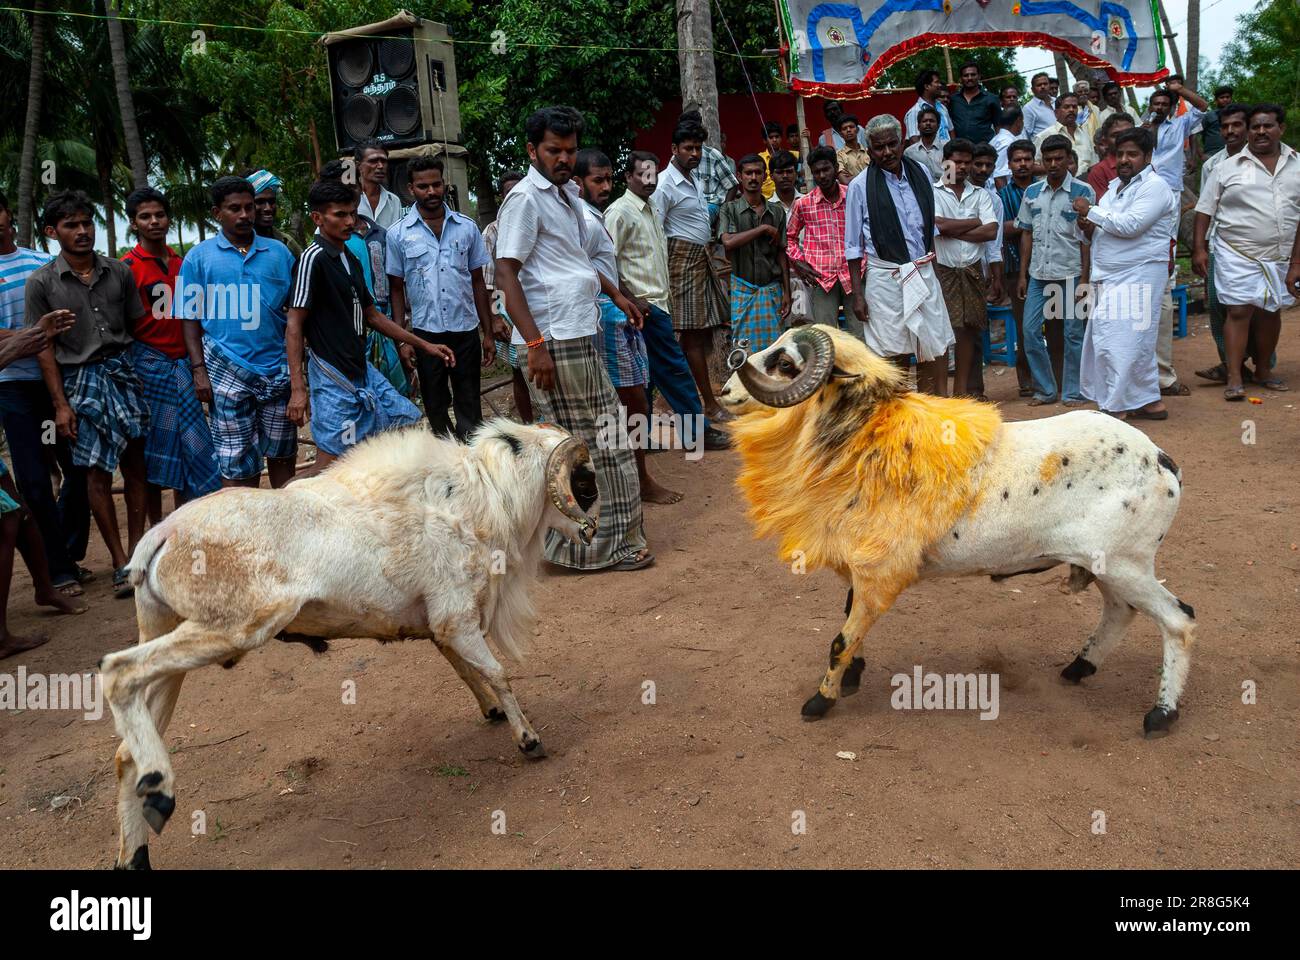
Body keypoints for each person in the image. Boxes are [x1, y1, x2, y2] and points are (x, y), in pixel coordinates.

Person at [494, 105, 651, 572]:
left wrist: (617, 296)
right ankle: (589, 549)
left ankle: (598, 543)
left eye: (569, 150)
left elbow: (576, 263)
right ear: (532, 151)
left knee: (596, 441)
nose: (564, 158)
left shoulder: (565, 197)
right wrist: (535, 344)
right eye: (553, 150)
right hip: (554, 340)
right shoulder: (524, 199)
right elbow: (506, 273)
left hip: (579, 331)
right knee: (586, 447)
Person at [26, 191, 150, 597]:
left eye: (86, 223)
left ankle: (138, 553)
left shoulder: (119, 272)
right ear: (52, 231)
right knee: (95, 474)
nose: (82, 232)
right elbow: (43, 346)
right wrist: (60, 405)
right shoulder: (41, 282)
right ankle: (118, 562)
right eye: (70, 225)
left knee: (136, 465)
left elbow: (135, 328)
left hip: (124, 374)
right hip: (80, 380)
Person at [286, 179, 447, 470]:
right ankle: (285, 507)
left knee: (407, 422)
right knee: (331, 462)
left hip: (361, 369)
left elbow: (373, 316)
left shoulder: (350, 258)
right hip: (332, 375)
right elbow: (294, 324)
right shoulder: (312, 259)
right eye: (340, 215)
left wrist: (423, 344)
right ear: (317, 218)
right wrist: (298, 388)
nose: (349, 222)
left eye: (352, 214)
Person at [605, 151, 730, 455]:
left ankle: (642, 437)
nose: (649, 180)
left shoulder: (651, 210)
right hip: (641, 307)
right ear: (628, 178)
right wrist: (630, 299)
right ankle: (697, 434)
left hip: (657, 303)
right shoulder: (620, 212)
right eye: (642, 174)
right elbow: (605, 262)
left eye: (653, 174)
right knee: (675, 371)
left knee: (645, 375)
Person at [177, 176, 298, 490]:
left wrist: (297, 376)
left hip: (276, 371)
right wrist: (198, 370)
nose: (245, 214)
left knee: (284, 459)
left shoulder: (279, 254)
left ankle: (284, 534)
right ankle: (242, 537)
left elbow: (296, 314)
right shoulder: (197, 258)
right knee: (237, 465)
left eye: (249, 207)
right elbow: (189, 319)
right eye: (235, 209)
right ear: (218, 213)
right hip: (225, 374)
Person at [575, 149, 681, 505]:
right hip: (605, 316)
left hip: (620, 314)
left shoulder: (595, 217)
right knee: (629, 401)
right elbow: (591, 272)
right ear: (579, 183)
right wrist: (625, 298)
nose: (604, 186)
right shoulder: (588, 220)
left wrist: (626, 301)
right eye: (597, 180)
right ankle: (634, 481)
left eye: (607, 179)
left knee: (634, 399)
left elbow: (604, 266)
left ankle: (635, 479)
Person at [0, 193, 90, 598]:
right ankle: (57, 571)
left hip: (58, 382)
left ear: (8, 216)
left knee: (78, 470)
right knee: (34, 481)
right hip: (11, 388)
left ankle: (69, 553)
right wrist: (34, 333)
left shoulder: (41, 264)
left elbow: (67, 321)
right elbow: (43, 328)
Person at [121, 187, 220, 523]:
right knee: (155, 458)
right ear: (134, 223)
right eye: (145, 217)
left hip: (187, 368)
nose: (154, 222)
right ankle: (156, 531)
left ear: (168, 218)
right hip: (148, 372)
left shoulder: (185, 263)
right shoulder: (126, 268)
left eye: (159, 215)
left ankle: (186, 526)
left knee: (195, 452)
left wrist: (198, 367)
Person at [385, 155, 500, 442]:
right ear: (411, 188)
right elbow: (396, 288)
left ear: (444, 184)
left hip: (465, 332)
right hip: (426, 336)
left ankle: (473, 467)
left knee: (470, 405)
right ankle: (447, 469)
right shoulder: (398, 234)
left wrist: (487, 333)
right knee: (436, 407)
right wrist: (403, 339)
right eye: (423, 186)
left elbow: (478, 282)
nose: (432, 192)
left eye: (436, 184)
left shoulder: (466, 227)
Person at [1072, 127, 1178, 420]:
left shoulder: (1155, 186)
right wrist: (1085, 225)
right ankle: (1148, 400)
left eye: (1132, 154)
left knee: (1122, 341)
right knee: (1128, 340)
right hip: (1110, 273)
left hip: (1140, 271)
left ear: (1147, 156)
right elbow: (1100, 229)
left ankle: (1116, 406)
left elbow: (1130, 225)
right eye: (1120, 154)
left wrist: (1090, 210)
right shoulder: (1115, 188)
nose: (1124, 159)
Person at [1192, 103, 1298, 399]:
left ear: (1281, 129)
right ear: (1248, 131)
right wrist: (1199, 249)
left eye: (1268, 126)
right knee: (1238, 310)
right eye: (1255, 127)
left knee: (1270, 311)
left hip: (1280, 254)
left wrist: (1297, 262)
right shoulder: (1225, 167)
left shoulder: (1298, 165)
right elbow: (1203, 211)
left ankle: (1264, 370)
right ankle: (1235, 376)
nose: (1261, 131)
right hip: (1235, 251)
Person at [845, 115, 954, 395]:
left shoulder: (920, 172)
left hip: (923, 270)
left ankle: (935, 407)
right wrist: (858, 294)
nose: (887, 152)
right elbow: (853, 247)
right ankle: (900, 416)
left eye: (892, 144)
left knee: (933, 343)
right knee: (893, 350)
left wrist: (936, 273)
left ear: (902, 142)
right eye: (879, 148)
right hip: (885, 279)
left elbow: (928, 230)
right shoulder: (859, 186)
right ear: (869, 151)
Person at [0, 308, 87, 659]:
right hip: (14, 392)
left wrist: (32, 335)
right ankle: (1, 636)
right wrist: (23, 342)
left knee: (22, 514)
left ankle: (45, 587)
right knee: (7, 520)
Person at [654, 118, 730, 422]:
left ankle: (670, 401)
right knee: (691, 336)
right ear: (674, 149)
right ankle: (706, 405)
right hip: (679, 261)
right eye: (688, 148)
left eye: (698, 148)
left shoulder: (694, 180)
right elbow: (657, 231)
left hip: (701, 257)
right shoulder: (664, 184)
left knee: (699, 336)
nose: (694, 153)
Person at [1014, 134, 1095, 407]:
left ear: (1069, 160)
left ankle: (1073, 391)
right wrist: (1023, 275)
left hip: (1072, 272)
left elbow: (1087, 239)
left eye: (1059, 158)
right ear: (1042, 161)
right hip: (1038, 274)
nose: (1053, 164)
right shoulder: (1032, 193)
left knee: (1074, 333)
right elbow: (1025, 234)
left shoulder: (1083, 192)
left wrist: (1085, 278)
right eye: (1047, 159)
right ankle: (1046, 390)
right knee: (1030, 331)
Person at [1191, 104, 1259, 385]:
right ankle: (1232, 365)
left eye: (1237, 125)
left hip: (1260, 244)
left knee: (1262, 308)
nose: (1230, 131)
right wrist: (1201, 248)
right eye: (1225, 126)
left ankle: (1264, 363)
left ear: (1247, 128)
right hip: (1221, 245)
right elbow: (1206, 208)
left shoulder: (1265, 160)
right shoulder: (1212, 165)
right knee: (1220, 306)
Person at [932, 139, 999, 398]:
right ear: (945, 161)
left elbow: (991, 231)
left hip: (971, 269)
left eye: (966, 162)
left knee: (968, 330)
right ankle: (940, 394)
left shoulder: (980, 194)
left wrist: (953, 229)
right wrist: (973, 222)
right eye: (956, 161)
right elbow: (937, 226)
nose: (961, 167)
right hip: (942, 269)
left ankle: (961, 393)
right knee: (942, 330)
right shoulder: (933, 192)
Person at [719, 153, 790, 355]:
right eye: (748, 173)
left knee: (776, 354)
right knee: (744, 354)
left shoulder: (776, 212)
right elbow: (728, 242)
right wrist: (763, 229)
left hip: (771, 290)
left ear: (765, 176)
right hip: (742, 290)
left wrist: (787, 292)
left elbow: (781, 254)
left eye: (758, 172)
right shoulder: (729, 209)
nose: (753, 177)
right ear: (739, 176)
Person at [787, 146, 855, 335]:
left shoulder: (853, 196)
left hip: (854, 274)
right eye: (817, 172)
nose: (822, 175)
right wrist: (799, 262)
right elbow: (788, 238)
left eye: (826, 169)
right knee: (826, 336)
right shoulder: (803, 204)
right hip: (821, 278)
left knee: (860, 334)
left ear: (835, 167)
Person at [998, 139, 1039, 396]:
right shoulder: (1002, 195)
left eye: (1027, 159)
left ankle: (1053, 376)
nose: (1022, 164)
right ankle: (1027, 381)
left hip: (1048, 266)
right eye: (1017, 160)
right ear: (1010, 164)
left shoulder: (1043, 188)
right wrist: (1028, 224)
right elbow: (998, 229)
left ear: (1034, 161)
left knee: (1055, 324)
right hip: (1015, 269)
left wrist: (1020, 225)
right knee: (1025, 327)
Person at [967, 143, 1006, 399]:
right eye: (978, 164)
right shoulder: (949, 192)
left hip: (980, 271)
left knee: (976, 330)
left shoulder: (994, 200)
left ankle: (975, 391)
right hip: (950, 267)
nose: (983, 169)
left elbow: (994, 241)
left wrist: (996, 277)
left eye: (988, 165)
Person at [1146, 78, 1209, 199]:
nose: (1160, 107)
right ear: (1150, 107)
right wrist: (1141, 133)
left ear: (1170, 108)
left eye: (1164, 104)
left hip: (1170, 187)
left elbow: (1203, 106)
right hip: (1145, 186)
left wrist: (1180, 89)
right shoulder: (1139, 129)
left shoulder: (1179, 125)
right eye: (1156, 104)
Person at [770, 150, 812, 325]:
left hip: (808, 276)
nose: (785, 176)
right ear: (771, 176)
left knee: (810, 330)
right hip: (778, 279)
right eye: (780, 172)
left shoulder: (809, 202)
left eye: (789, 171)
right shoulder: (767, 208)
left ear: (797, 173)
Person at [680, 104, 740, 222]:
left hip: (710, 204)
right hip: (687, 206)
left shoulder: (712, 155)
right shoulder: (677, 158)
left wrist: (724, 212)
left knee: (699, 217)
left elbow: (733, 185)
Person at [245, 168, 302, 262]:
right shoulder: (236, 244)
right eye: (260, 202)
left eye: (272, 201)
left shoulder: (287, 243)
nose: (268, 208)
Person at [1034, 93, 1097, 173]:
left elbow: (1094, 161)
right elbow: (1033, 166)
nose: (1071, 110)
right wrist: (1058, 168)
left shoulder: (1084, 133)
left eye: (1074, 107)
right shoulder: (1044, 136)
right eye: (1066, 107)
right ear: (1056, 113)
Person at [354, 138, 403, 229]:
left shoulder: (394, 201)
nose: (380, 166)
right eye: (373, 161)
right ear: (358, 166)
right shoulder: (348, 200)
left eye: (383, 161)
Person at [1087, 112, 1136, 201]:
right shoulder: (1098, 172)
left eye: (1128, 133)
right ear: (1105, 141)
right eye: (1116, 135)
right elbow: (1103, 209)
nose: (1123, 138)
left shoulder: (1145, 162)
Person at [950, 61, 1001, 144]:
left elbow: (998, 126)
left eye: (973, 74)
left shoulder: (992, 99)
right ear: (961, 78)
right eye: (966, 75)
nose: (969, 78)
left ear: (979, 76)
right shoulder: (953, 99)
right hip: (959, 150)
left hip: (984, 151)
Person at [904, 69, 953, 146]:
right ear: (927, 86)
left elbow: (951, 131)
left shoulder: (943, 108)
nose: (940, 85)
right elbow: (914, 141)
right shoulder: (915, 111)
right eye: (937, 82)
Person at [903, 104, 945, 182]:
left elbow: (952, 177)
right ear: (918, 126)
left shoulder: (947, 147)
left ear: (938, 126)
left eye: (932, 121)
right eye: (924, 121)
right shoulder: (909, 152)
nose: (928, 123)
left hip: (944, 191)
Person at [990, 106, 1024, 185]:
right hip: (999, 193)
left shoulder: (996, 139)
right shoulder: (1007, 143)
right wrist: (1006, 197)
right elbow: (1000, 176)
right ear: (1019, 120)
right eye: (1023, 120)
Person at [1200, 85, 1235, 155]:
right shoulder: (1209, 115)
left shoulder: (1237, 115)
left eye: (1227, 97)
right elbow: (1195, 134)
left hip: (1233, 152)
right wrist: (1201, 155)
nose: (1225, 99)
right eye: (1222, 97)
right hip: (1212, 153)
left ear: (1231, 99)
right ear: (1216, 100)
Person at [1022, 72, 1057, 141]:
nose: (1043, 87)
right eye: (1039, 85)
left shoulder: (1057, 101)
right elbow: (1025, 134)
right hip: (1043, 149)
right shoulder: (1028, 108)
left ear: (1049, 86)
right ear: (1032, 90)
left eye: (1045, 84)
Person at [835, 114, 870, 183]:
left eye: (851, 127)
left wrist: (854, 176)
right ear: (841, 134)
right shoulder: (839, 155)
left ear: (857, 130)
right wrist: (869, 175)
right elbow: (845, 181)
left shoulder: (869, 152)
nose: (848, 130)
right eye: (844, 128)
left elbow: (878, 175)